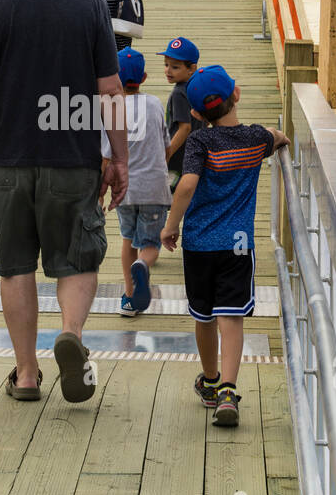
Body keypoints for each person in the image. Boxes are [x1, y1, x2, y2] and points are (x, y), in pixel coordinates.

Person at [0, 0, 127, 403]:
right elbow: (110, 88)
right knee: (76, 260)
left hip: (9, 160)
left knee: (14, 266)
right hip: (73, 159)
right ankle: (70, 332)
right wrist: (119, 159)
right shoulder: (91, 5)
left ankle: (27, 374)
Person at [161, 65, 288, 427]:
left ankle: (211, 380)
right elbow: (276, 136)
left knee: (204, 316)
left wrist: (171, 226)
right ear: (238, 94)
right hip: (237, 245)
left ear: (197, 114)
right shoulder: (255, 139)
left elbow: (186, 186)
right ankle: (230, 391)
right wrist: (281, 138)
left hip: (200, 243)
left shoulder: (200, 142)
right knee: (230, 316)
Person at [100, 47, 171, 317]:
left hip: (124, 191)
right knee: (150, 245)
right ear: (143, 77)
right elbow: (165, 147)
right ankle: (144, 264)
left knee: (128, 239)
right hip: (154, 188)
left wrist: (101, 190)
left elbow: (106, 157)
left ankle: (129, 299)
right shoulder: (154, 103)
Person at [157, 35, 201, 190]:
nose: (168, 70)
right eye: (166, 65)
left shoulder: (178, 93)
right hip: (196, 152)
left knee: (168, 196)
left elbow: (184, 128)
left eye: (175, 67)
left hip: (177, 156)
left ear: (191, 69)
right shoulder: (197, 87)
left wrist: (166, 154)